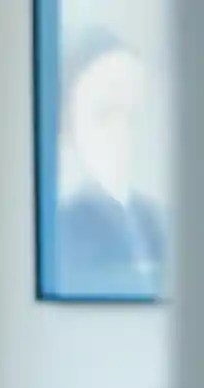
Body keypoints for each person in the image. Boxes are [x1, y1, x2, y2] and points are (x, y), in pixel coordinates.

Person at [51, 28, 166, 299]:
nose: (122, 133)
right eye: (105, 114)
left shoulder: (158, 220)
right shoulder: (62, 232)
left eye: (134, 115)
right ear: (70, 124)